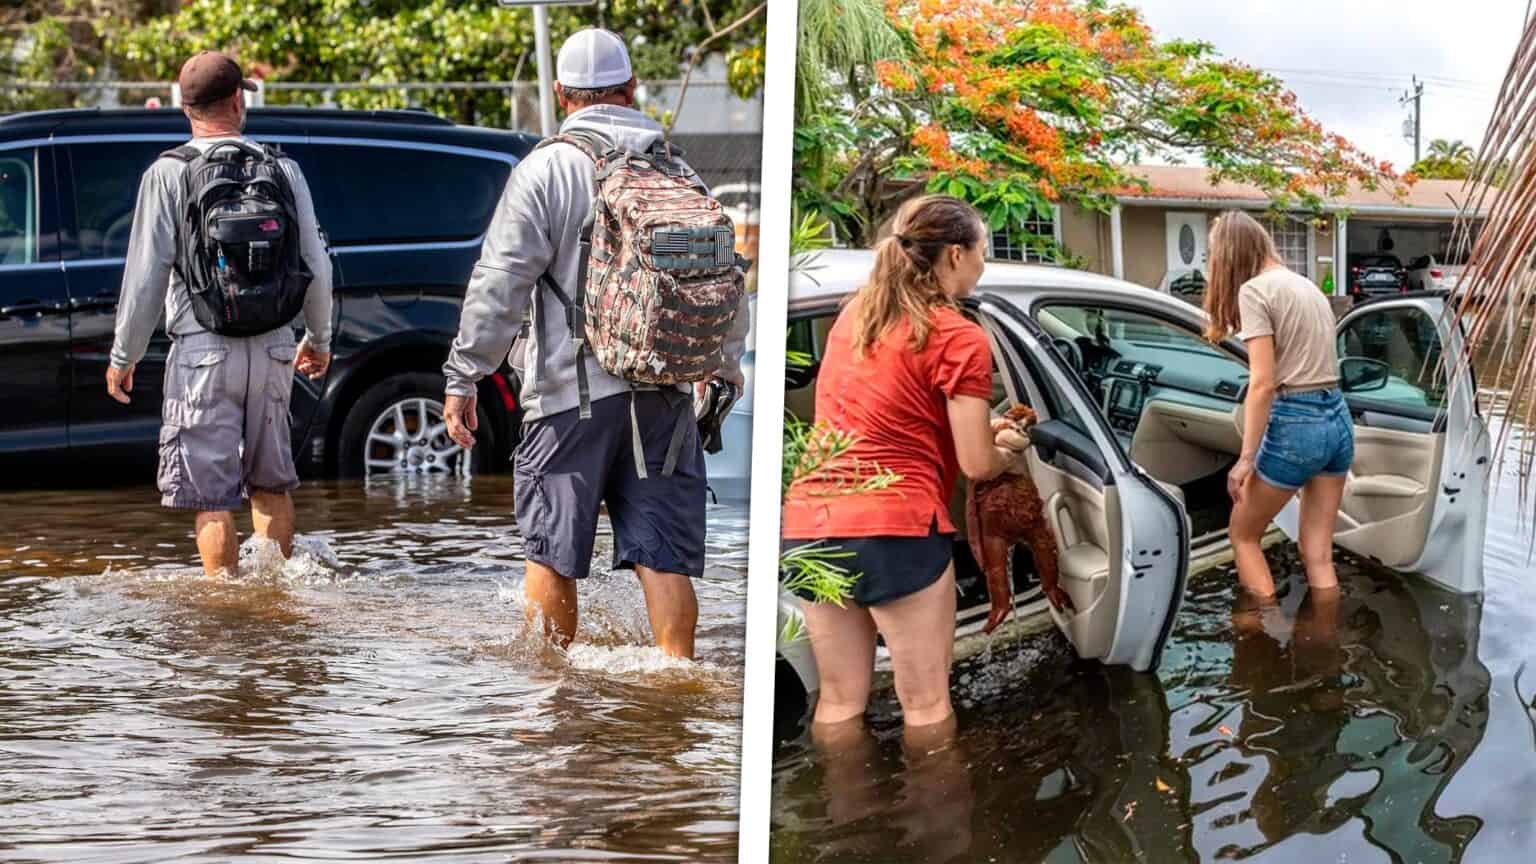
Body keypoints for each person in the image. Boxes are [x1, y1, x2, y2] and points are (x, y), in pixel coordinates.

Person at [441, 28, 749, 660]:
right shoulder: (676, 168)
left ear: (560, 93)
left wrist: (465, 374)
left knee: (551, 551)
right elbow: (724, 279)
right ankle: (676, 682)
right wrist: (723, 366)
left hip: (567, 400)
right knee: (663, 557)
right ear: (632, 88)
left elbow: (500, 282)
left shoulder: (546, 169)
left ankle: (550, 695)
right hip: (664, 396)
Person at [781, 195, 1029, 733]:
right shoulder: (958, 335)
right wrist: (1008, 446)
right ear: (957, 255)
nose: (985, 263)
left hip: (809, 524)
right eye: (984, 250)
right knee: (925, 706)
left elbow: (888, 412)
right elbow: (978, 465)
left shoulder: (856, 317)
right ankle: (940, 818)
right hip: (893, 529)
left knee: (840, 702)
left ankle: (846, 814)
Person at [108, 51, 332, 577]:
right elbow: (316, 265)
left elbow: (145, 278)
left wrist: (124, 356)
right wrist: (318, 339)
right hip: (276, 346)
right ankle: (276, 604)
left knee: (210, 496)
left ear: (184, 109)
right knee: (271, 484)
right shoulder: (282, 169)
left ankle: (225, 613)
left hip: (202, 352)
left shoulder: (167, 174)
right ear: (238, 99)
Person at [1204, 210, 1352, 599]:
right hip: (1337, 419)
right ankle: (1325, 644)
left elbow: (1263, 383)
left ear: (1228, 252)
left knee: (1243, 535)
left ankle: (1262, 642)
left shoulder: (1254, 290)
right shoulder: (1305, 286)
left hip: (1296, 424)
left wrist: (1244, 459)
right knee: (1317, 553)